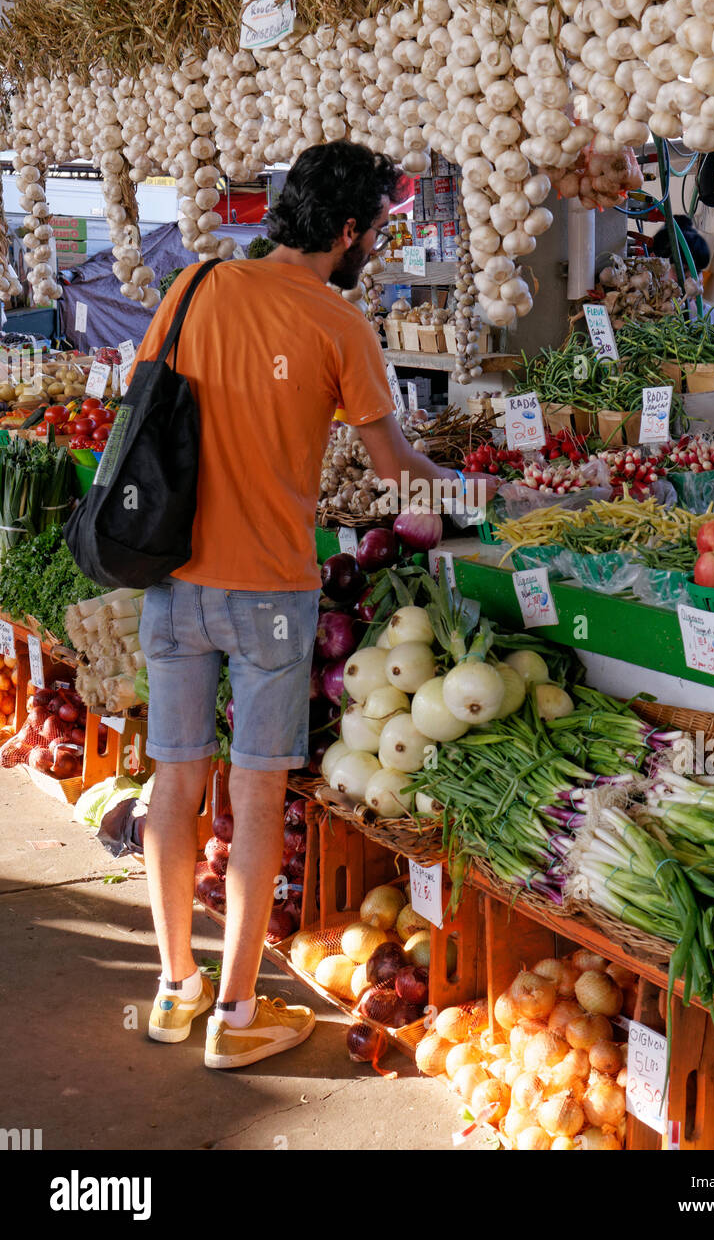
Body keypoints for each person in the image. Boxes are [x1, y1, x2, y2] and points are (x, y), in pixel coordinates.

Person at [133, 141, 496, 1070]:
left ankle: (177, 989)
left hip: (173, 578)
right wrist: (484, 499)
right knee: (252, 792)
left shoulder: (194, 287)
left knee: (174, 784)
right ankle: (239, 1010)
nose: (375, 241)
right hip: (270, 591)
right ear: (347, 231)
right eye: (376, 228)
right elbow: (394, 476)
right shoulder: (339, 326)